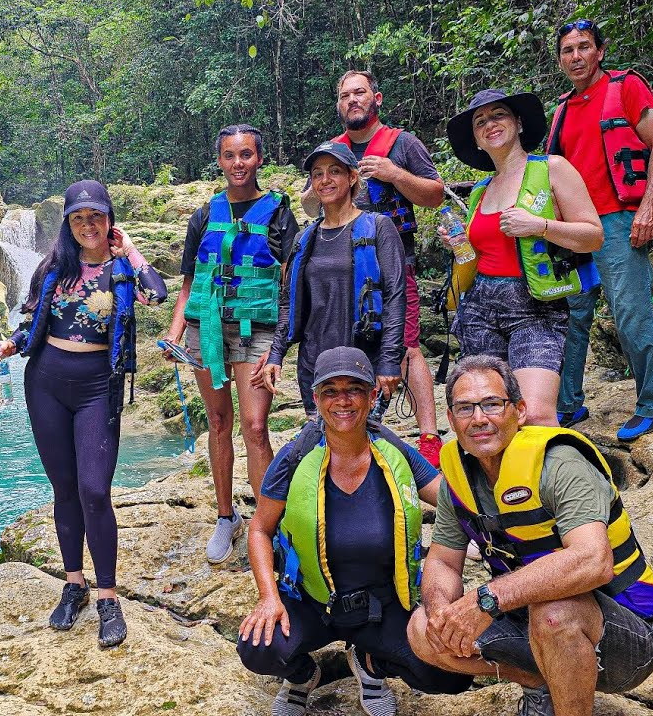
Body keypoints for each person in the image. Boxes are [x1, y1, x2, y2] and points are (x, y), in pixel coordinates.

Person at [407, 355, 653, 716]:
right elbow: (442, 561)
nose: (479, 419)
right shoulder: (459, 480)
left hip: (626, 636)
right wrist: (441, 616)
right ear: (450, 420)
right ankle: (540, 683)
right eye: (465, 408)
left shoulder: (560, 464)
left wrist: (486, 599)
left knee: (555, 611)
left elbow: (594, 561)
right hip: (528, 617)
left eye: (492, 404)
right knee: (422, 629)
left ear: (520, 411)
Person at [238, 347, 472, 716]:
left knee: (449, 676)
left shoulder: (392, 452)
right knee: (258, 646)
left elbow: (452, 501)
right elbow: (259, 529)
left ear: (372, 395)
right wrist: (269, 597)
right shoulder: (295, 457)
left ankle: (370, 664)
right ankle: (302, 676)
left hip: (383, 607)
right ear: (316, 399)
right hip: (314, 603)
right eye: (330, 391)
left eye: (354, 389)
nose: (342, 401)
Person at [0, 180, 167, 648]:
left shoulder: (121, 271)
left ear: (109, 220)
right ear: (68, 223)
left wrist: (130, 250)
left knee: (94, 489)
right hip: (45, 382)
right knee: (64, 488)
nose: (88, 225)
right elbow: (31, 326)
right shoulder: (52, 269)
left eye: (97, 217)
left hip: (95, 388)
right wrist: (6, 345)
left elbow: (158, 294)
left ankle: (108, 595)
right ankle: (73, 584)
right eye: (79, 218)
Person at [164, 124, 300, 563]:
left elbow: (291, 280)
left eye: (245, 154)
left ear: (259, 159)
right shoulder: (204, 214)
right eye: (229, 155)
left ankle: (267, 523)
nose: (238, 163)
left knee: (256, 427)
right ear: (219, 161)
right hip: (208, 330)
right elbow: (190, 281)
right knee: (219, 423)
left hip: (257, 328)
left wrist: (284, 339)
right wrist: (174, 331)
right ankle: (227, 517)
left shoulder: (279, 212)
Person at [303, 70, 448, 466]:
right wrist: (325, 185)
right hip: (342, 271)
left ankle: (429, 437)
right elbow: (310, 206)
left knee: (408, 345)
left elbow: (435, 194)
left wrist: (393, 173)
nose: (353, 100)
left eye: (360, 93)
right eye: (345, 95)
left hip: (397, 262)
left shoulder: (403, 144)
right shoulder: (333, 151)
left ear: (377, 98)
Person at [443, 89, 603, 426]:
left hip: (536, 307)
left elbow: (593, 236)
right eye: (480, 122)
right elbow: (476, 256)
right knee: (488, 416)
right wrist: (458, 243)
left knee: (536, 414)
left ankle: (549, 479)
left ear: (517, 122)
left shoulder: (552, 169)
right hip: (480, 309)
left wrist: (540, 225)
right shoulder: (479, 190)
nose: (490, 124)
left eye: (498, 115)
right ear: (476, 139)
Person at [548, 20, 653, 441]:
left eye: (584, 47)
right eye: (568, 50)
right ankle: (567, 405)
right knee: (571, 316)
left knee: (630, 312)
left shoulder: (626, 88)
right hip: (574, 229)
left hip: (620, 220)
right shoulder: (563, 110)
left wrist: (649, 207)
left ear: (600, 51)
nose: (576, 57)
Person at [256, 141, 406, 420]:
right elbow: (288, 302)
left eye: (334, 171)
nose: (325, 180)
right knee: (323, 447)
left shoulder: (378, 228)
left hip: (363, 362)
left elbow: (395, 296)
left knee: (362, 445)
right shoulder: (305, 239)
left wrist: (389, 359)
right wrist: (276, 354)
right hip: (315, 364)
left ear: (351, 177)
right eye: (317, 174)